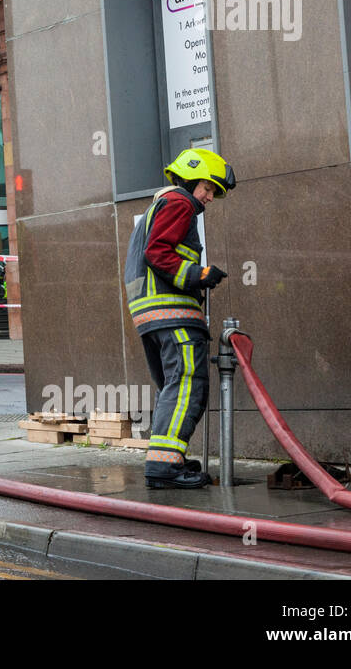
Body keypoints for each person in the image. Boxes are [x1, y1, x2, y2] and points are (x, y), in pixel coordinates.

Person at [122, 149, 236, 489]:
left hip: (151, 314)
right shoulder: (180, 202)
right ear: (192, 178)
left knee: (172, 387)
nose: (209, 198)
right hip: (172, 312)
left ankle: (167, 458)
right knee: (188, 383)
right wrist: (200, 274)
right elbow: (159, 253)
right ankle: (164, 469)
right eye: (209, 188)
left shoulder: (155, 207)